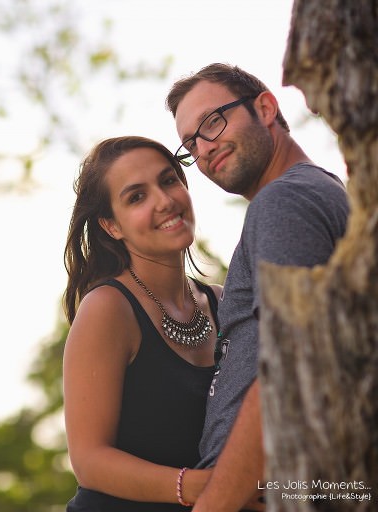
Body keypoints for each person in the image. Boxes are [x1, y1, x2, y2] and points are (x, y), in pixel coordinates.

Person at [165, 63, 350, 511]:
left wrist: (216, 504)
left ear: (266, 107)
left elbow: (290, 364)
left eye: (213, 121)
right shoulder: (319, 194)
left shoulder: (284, 200)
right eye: (191, 143)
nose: (204, 149)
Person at [62, 135, 222, 511]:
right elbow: (89, 462)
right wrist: (199, 487)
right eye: (136, 197)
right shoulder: (107, 308)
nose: (165, 201)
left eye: (169, 180)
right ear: (111, 226)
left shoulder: (224, 301)